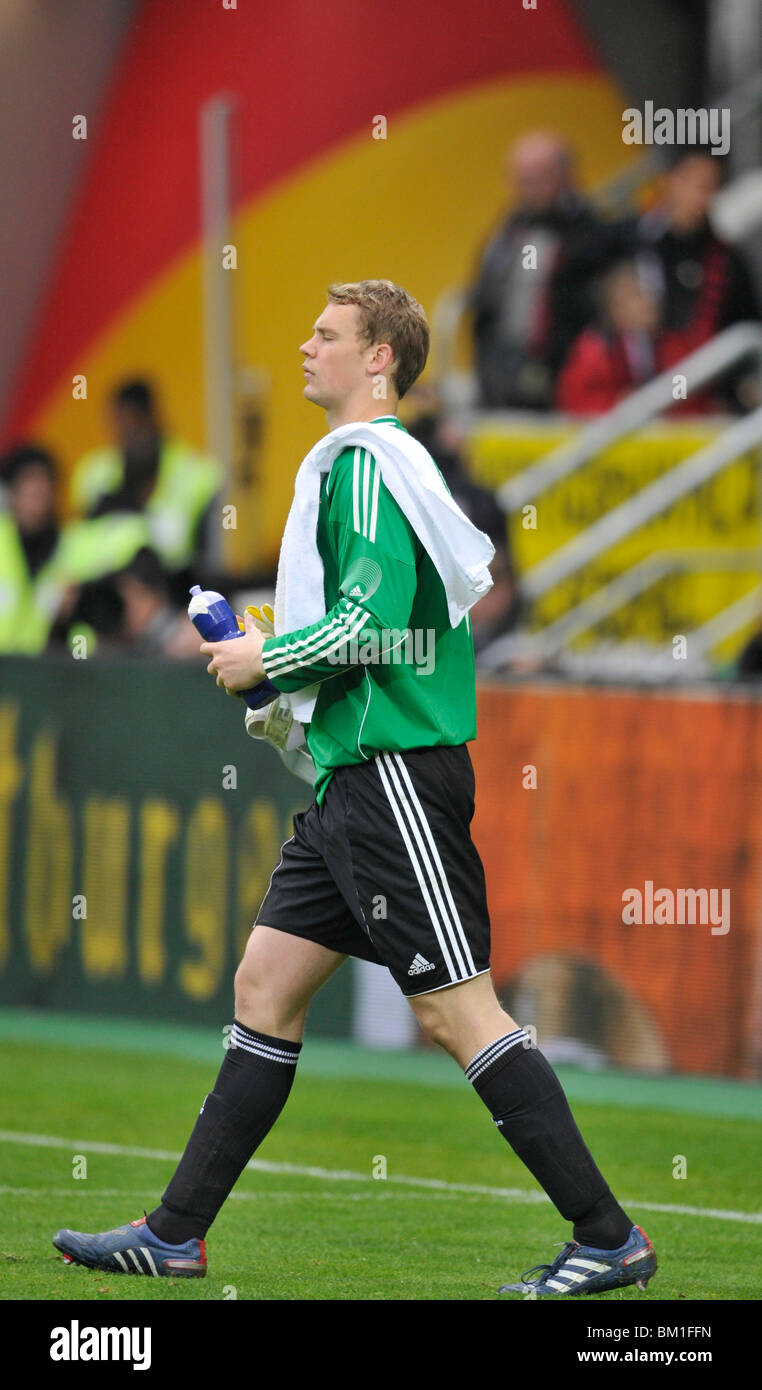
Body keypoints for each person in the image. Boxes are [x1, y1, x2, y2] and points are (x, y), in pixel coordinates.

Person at [53, 279, 657, 1298]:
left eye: (327, 335)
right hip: (352, 777)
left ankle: (607, 1235)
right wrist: (270, 648)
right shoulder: (365, 465)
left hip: (395, 778)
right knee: (265, 986)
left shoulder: (368, 466)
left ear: (380, 359)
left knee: (459, 1014)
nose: (306, 346)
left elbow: (372, 626)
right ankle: (176, 1234)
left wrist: (267, 662)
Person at [469, 132, 621, 411]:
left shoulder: (589, 233)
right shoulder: (511, 227)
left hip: (562, 371)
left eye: (537, 178)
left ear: (565, 174)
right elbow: (487, 291)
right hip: (504, 366)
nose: (525, 189)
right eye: (519, 179)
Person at [626, 150, 761, 412]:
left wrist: (741, 386)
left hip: (706, 399)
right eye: (697, 185)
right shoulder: (629, 242)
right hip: (634, 393)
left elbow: (745, 326)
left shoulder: (728, 259)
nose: (701, 197)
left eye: (712, 188)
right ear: (670, 181)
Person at [69, 378, 222, 593]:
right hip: (108, 597)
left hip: (178, 596)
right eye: (120, 423)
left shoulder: (200, 474)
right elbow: (79, 549)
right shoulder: (93, 473)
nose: (127, 432)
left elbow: (210, 559)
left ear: (153, 418)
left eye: (135, 422)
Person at [556, 260, 662, 415]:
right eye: (637, 296)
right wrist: (618, 404)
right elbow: (573, 402)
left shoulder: (652, 343)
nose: (649, 303)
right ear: (616, 306)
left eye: (649, 294)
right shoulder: (594, 348)